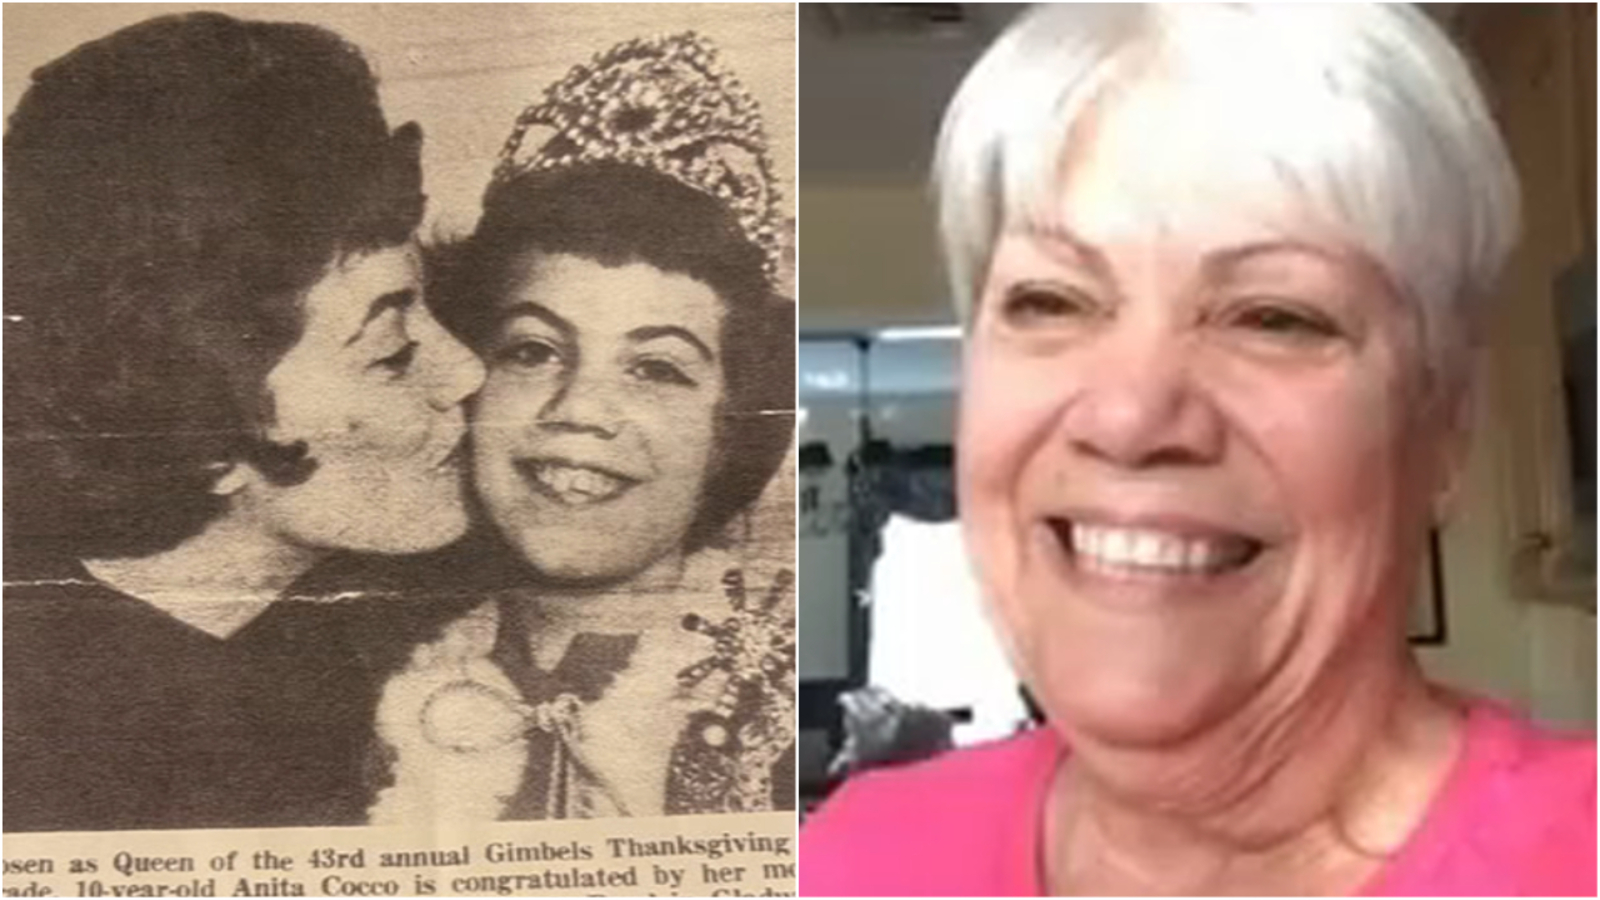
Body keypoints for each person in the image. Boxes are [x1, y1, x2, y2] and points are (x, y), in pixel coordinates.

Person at [801, 4, 1595, 896]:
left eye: (1275, 316)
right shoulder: (859, 856)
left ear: (1444, 427)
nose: (1132, 416)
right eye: (1051, 301)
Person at [3, 12, 485, 831]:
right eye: (391, 349)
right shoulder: (51, 759)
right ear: (195, 420)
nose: (467, 370)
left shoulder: (335, 642)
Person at [363, 32, 797, 823]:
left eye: (657, 368)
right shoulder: (360, 686)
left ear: (730, 427)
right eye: (533, 350)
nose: (579, 409)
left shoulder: (805, 714)